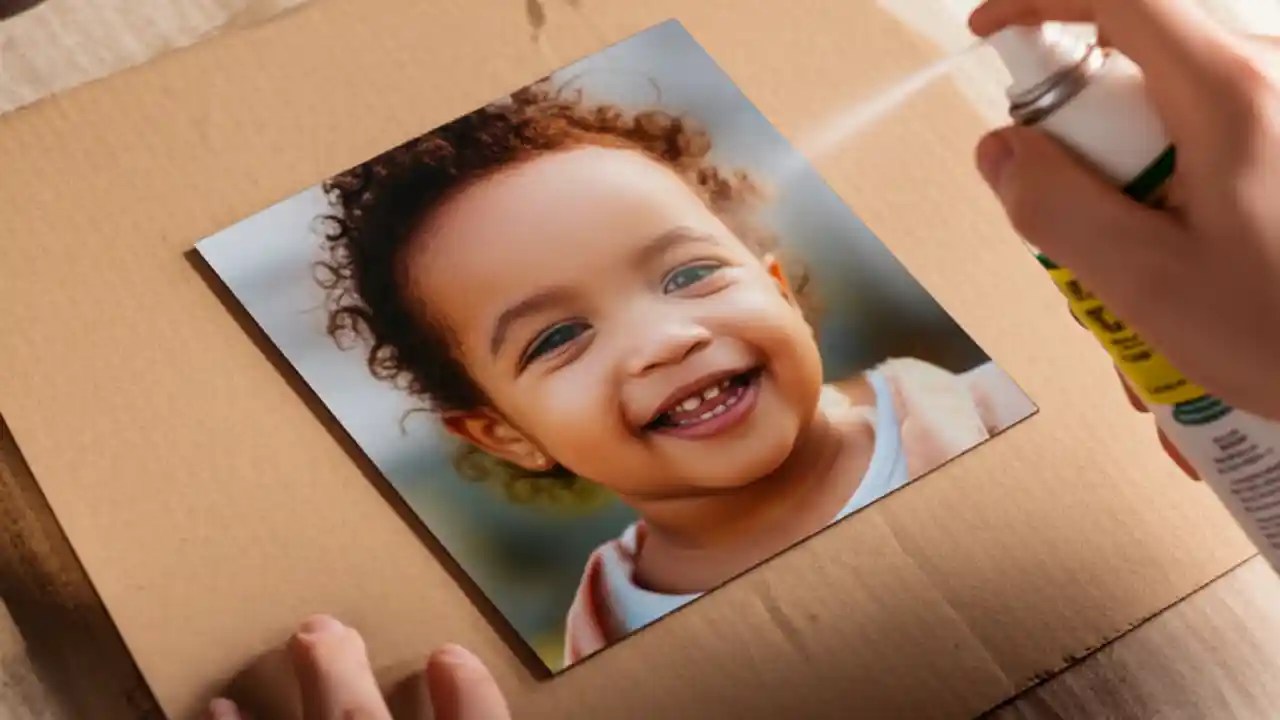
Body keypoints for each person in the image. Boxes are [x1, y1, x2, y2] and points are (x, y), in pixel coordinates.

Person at [206, 0, 1280, 716]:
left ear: (776, 290)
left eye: (684, 277)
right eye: (557, 337)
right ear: (502, 433)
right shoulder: (596, 648)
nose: (666, 336)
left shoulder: (989, 409)